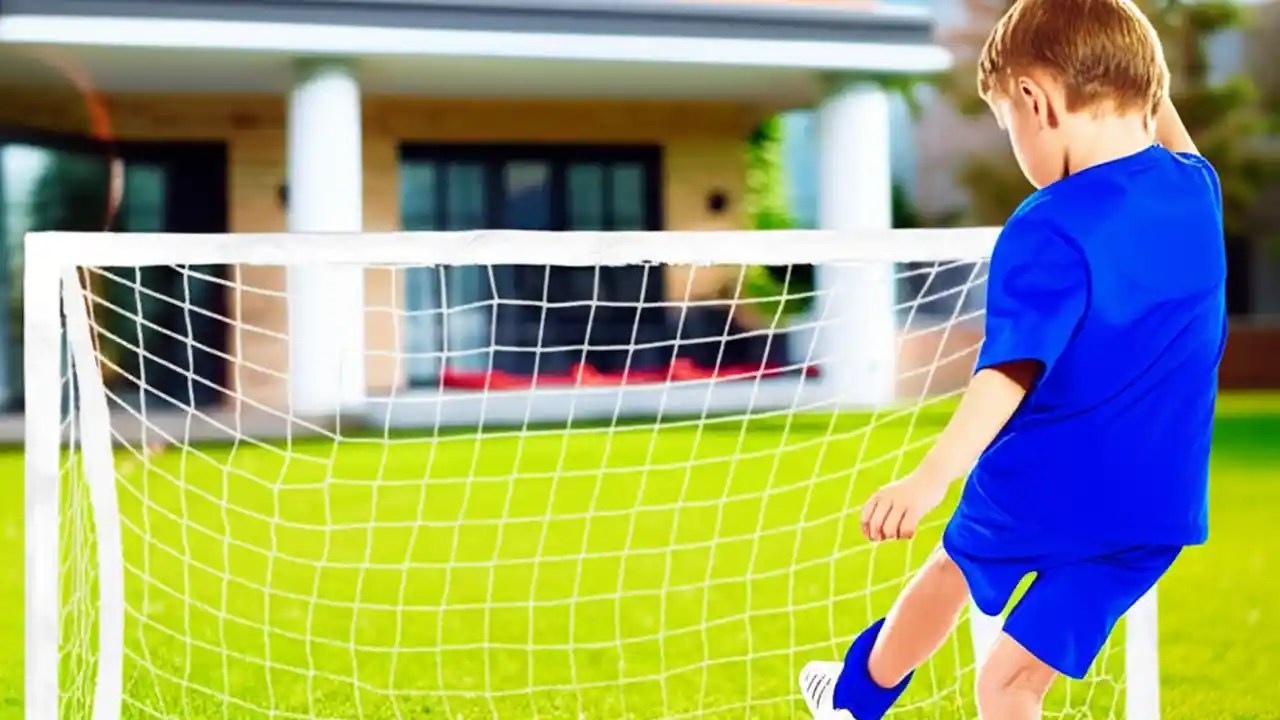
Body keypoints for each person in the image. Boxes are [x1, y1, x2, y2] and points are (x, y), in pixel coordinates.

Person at [798, 0, 1227, 717]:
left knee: (953, 566)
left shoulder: (1049, 226)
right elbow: (1160, 116)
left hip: (1042, 489)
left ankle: (855, 695)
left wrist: (929, 477)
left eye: (1008, 125)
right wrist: (1131, 53)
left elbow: (1007, 371)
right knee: (1011, 682)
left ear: (1034, 99)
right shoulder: (1195, 189)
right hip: (1156, 511)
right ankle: (853, 692)